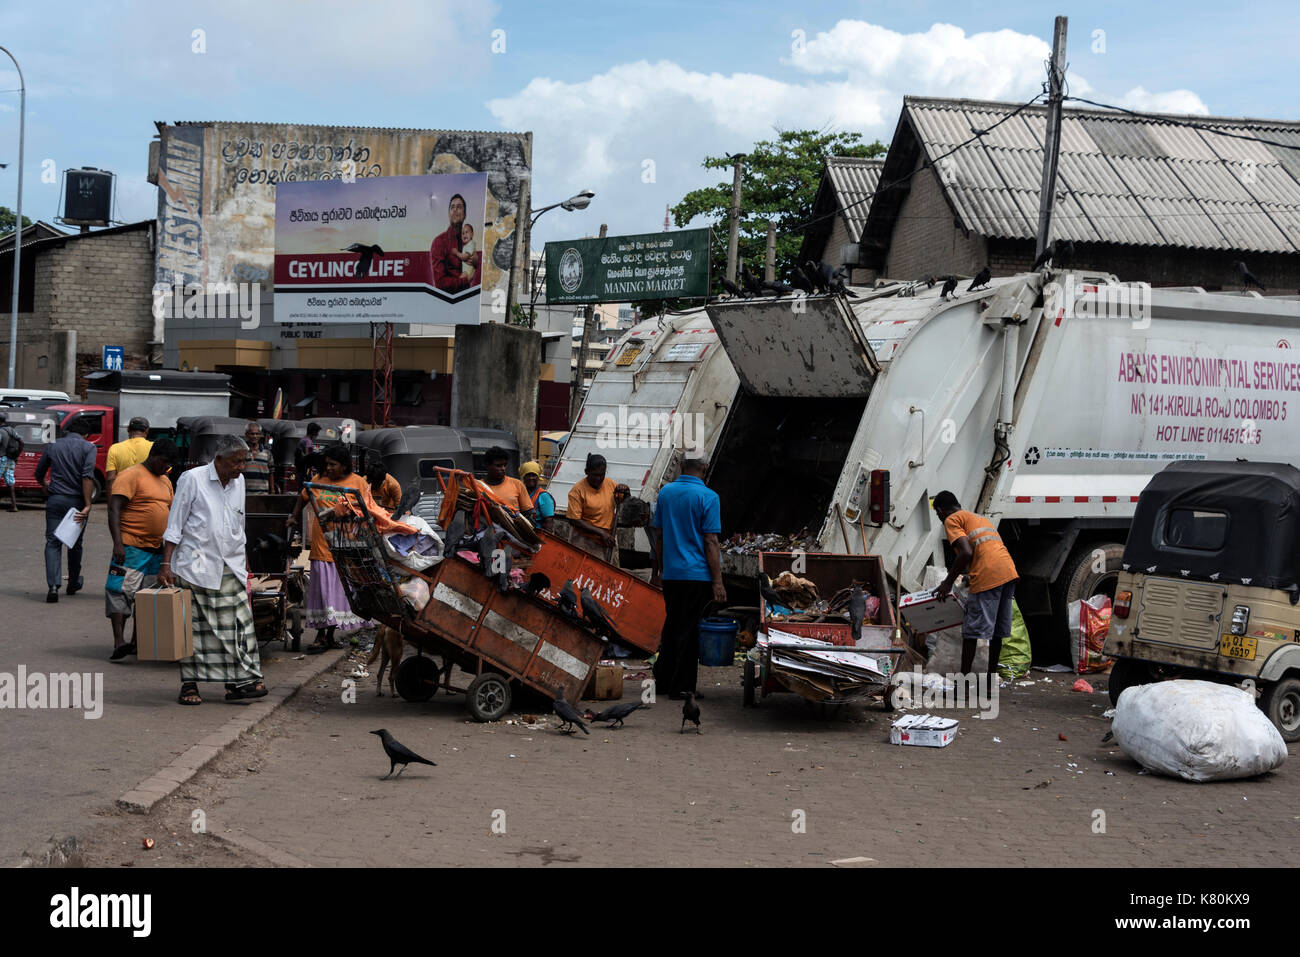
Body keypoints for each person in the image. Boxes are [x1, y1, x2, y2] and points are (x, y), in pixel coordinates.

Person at [159, 435, 267, 706]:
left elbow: (238, 524)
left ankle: (240, 683)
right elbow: (176, 523)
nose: (240, 467)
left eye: (243, 461)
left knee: (240, 625)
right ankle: (189, 686)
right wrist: (166, 564)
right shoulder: (192, 479)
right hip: (194, 566)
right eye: (235, 462)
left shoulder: (239, 482)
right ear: (218, 459)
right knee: (194, 631)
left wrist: (245, 561)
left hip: (230, 564)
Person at [650, 453, 725, 699]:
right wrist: (718, 581)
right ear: (705, 468)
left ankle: (663, 681)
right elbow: (711, 540)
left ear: (682, 466)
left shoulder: (666, 494)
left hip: (672, 573)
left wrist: (661, 570)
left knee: (672, 625)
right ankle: (682, 687)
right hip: (697, 576)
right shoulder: (709, 497)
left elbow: (659, 536)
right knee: (690, 631)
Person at [285, 445, 373, 652]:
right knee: (323, 592)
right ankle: (320, 635)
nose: (328, 468)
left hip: (347, 548)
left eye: (332, 465)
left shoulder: (358, 483)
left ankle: (331, 635)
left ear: (344, 466)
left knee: (340, 593)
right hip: (322, 546)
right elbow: (302, 497)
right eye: (326, 464)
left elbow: (367, 511)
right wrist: (293, 517)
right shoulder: (317, 481)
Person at [932, 491, 1019, 681]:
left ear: (940, 510)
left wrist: (947, 583)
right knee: (996, 632)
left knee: (971, 632)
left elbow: (965, 553)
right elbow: (984, 549)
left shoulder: (951, 519)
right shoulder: (977, 518)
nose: (940, 519)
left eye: (938, 515)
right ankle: (990, 683)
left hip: (988, 574)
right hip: (1008, 571)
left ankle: (962, 685)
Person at [106, 439, 178, 661]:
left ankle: (138, 642)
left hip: (156, 549)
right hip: (131, 546)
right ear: (154, 456)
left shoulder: (166, 480)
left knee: (147, 597)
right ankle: (119, 642)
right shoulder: (130, 475)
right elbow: (114, 509)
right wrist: (118, 543)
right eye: (164, 462)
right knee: (121, 591)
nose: (167, 468)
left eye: (170, 465)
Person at [35, 416, 97, 603]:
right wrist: (87, 504)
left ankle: (53, 586)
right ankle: (73, 583)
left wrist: (45, 484)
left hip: (55, 500)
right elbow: (87, 477)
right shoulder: (89, 447)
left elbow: (39, 472)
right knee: (74, 543)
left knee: (52, 542)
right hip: (76, 502)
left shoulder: (53, 445)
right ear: (86, 434)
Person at [567, 453, 628, 562]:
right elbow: (574, 520)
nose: (599, 478)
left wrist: (626, 490)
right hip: (586, 540)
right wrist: (600, 533)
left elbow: (625, 501)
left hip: (608, 538)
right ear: (587, 472)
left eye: (602, 475)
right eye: (595, 475)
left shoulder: (610, 484)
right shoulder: (577, 490)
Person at [430, 193, 481, 292]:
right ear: (449, 214)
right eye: (452, 207)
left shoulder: (470, 242)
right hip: (447, 302)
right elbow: (440, 283)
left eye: (459, 207)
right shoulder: (439, 242)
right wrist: (464, 281)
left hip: (468, 300)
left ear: (465, 215)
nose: (455, 210)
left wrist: (476, 263)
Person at [105, 417, 152, 493]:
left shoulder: (114, 448)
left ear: (128, 429)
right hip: (147, 496)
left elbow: (110, 479)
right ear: (147, 430)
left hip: (123, 496)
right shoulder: (154, 447)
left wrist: (111, 504)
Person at [479, 447, 531, 515]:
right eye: (498, 465)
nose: (503, 468)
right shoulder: (478, 486)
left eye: (505, 465)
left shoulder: (517, 484)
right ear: (487, 465)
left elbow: (528, 513)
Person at [519, 460, 554, 533]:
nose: (531, 478)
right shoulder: (520, 493)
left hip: (537, 534)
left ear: (538, 477)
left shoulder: (544, 496)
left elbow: (549, 522)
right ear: (524, 477)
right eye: (528, 475)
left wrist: (545, 541)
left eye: (533, 475)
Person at [242, 421, 276, 494]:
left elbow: (271, 473)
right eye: (252, 434)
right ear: (246, 435)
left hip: (262, 494)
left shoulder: (267, 452)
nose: (255, 436)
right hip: (245, 493)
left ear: (261, 435)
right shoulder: (242, 451)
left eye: (257, 434)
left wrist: (272, 491)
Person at [0, 410, 21, 512]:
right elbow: (21, 442)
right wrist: (17, 455)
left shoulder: (0, 431)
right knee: (10, 482)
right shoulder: (12, 430)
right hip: (11, 459)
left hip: (2, 458)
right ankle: (14, 506)